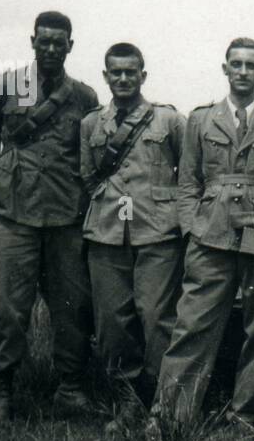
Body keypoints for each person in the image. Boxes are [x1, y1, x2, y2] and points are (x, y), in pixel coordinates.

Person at [156, 38, 254, 425]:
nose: (244, 72)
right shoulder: (201, 119)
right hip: (210, 235)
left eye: (252, 65)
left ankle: (247, 414)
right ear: (225, 69)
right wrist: (190, 230)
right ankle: (171, 415)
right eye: (237, 64)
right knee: (193, 325)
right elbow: (187, 183)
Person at [0, 10, 99, 422]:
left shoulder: (84, 97)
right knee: (5, 306)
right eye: (43, 41)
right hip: (13, 212)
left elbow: (90, 151)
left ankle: (71, 388)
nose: (50, 49)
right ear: (32, 41)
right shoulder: (4, 86)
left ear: (70, 46)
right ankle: (2, 393)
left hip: (65, 214)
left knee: (73, 306)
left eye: (58, 42)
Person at [79, 43, 185, 421]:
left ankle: (161, 402)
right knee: (112, 323)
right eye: (115, 72)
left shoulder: (168, 120)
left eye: (131, 72)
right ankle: (126, 400)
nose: (123, 79)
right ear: (105, 77)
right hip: (107, 234)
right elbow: (88, 176)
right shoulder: (91, 124)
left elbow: (188, 172)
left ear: (143, 75)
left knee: (157, 318)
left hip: (157, 233)